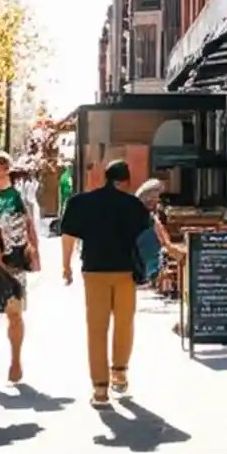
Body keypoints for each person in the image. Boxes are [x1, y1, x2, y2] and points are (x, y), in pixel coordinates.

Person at [59, 160, 152, 408]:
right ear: (126, 180)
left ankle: (99, 388)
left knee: (96, 328)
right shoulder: (133, 205)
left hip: (94, 270)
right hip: (125, 272)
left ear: (105, 177)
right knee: (124, 322)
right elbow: (147, 236)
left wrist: (65, 265)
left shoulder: (81, 203)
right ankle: (119, 371)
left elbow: (68, 234)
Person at [0, 151, 39, 388]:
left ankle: (15, 361)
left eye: (1, 168)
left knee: (14, 314)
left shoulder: (19, 197)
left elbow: (30, 226)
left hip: (15, 262)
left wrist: (35, 254)